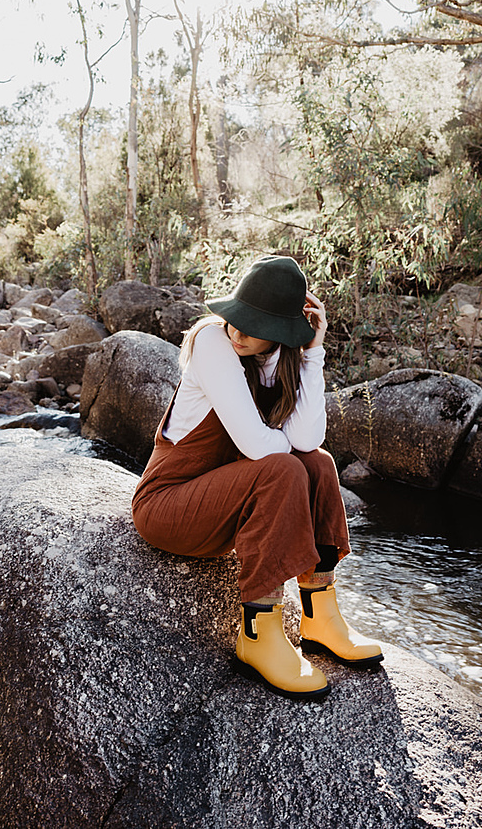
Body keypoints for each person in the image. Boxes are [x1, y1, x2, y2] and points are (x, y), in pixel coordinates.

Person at [131, 254, 382, 701]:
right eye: (236, 317)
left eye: (255, 324)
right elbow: (256, 445)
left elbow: (307, 439)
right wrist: (289, 456)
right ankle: (258, 633)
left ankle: (318, 616)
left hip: (225, 509)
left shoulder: (281, 358)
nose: (238, 331)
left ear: (283, 332)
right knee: (287, 467)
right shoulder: (211, 343)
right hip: (168, 505)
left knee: (319, 463)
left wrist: (313, 352)